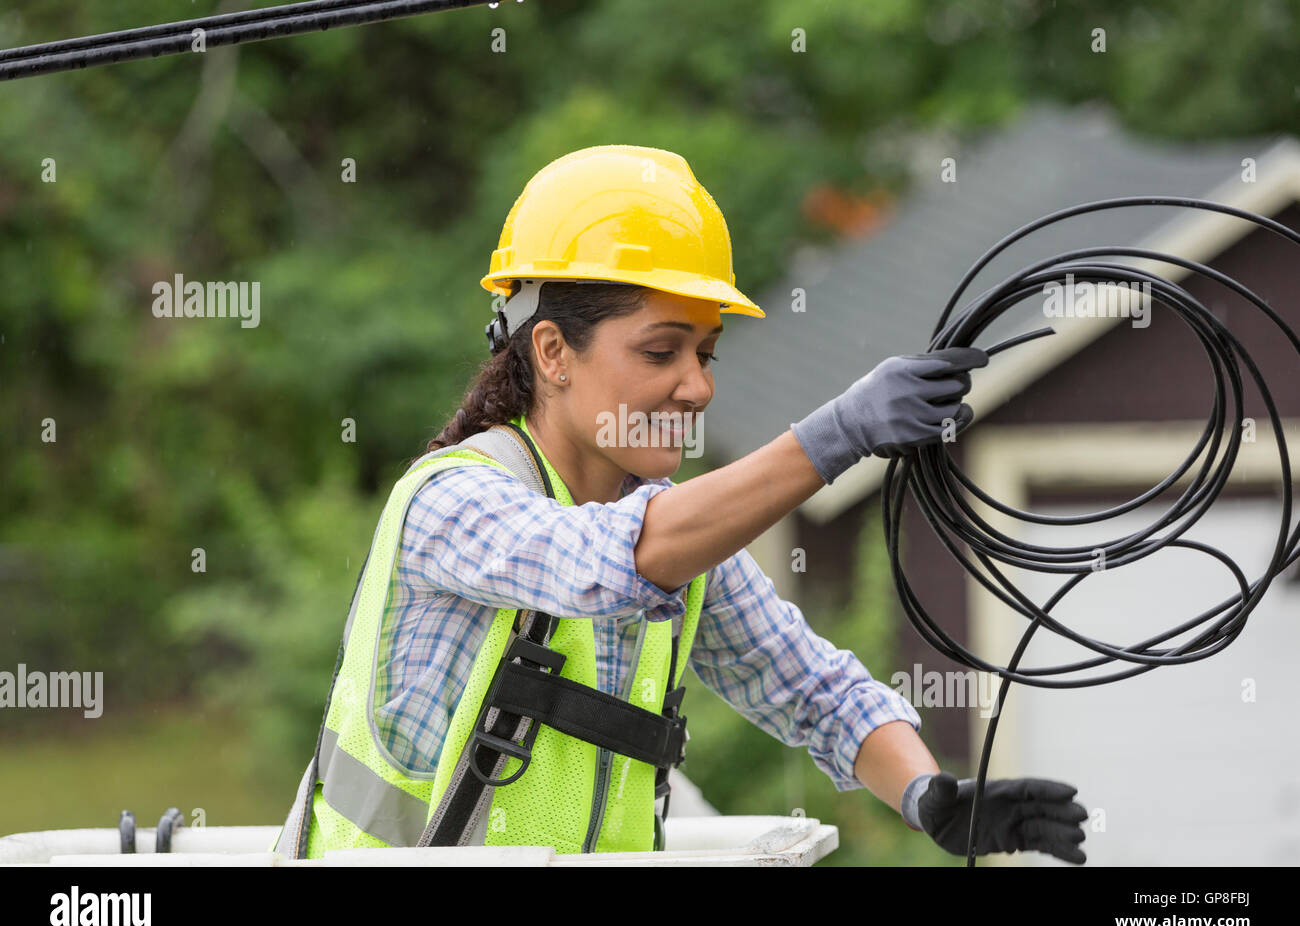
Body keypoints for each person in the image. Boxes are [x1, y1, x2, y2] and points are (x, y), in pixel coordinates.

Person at [274, 144, 1087, 864]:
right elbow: (603, 561)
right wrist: (839, 433)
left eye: (706, 353)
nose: (697, 386)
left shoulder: (681, 543)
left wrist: (927, 797)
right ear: (553, 351)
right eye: (661, 351)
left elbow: (816, 692)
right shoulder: (453, 502)